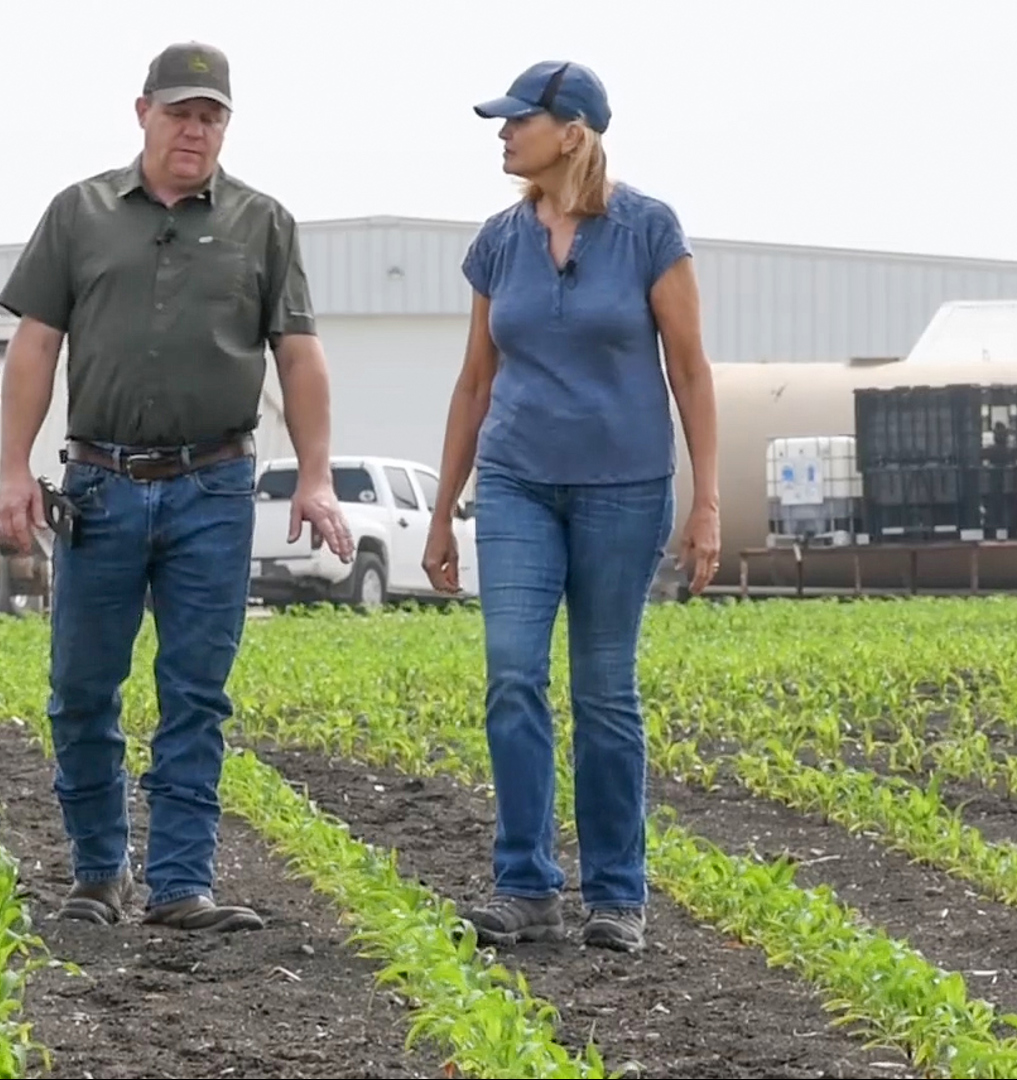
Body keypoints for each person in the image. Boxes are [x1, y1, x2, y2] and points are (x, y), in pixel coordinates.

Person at [0, 41, 355, 932]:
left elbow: (299, 356)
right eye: (181, 111)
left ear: (226, 125)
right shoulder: (78, 215)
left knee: (196, 692)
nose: (195, 130)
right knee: (82, 687)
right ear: (143, 111)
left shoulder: (263, 223)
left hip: (215, 486)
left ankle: (182, 885)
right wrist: (11, 468)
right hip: (101, 484)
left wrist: (316, 476)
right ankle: (96, 875)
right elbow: (35, 347)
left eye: (212, 116)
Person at [421, 60, 720, 953]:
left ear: (573, 132)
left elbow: (691, 371)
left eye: (520, 121)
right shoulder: (497, 243)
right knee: (513, 675)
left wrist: (708, 501)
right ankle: (525, 889)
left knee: (603, 692)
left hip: (623, 490)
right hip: (515, 482)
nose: (504, 135)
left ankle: (617, 897)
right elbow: (475, 382)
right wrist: (442, 511)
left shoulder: (648, 231)